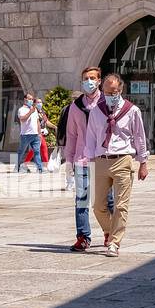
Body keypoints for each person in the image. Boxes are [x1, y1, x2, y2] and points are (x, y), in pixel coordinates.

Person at [87, 74, 149, 257]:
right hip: (101, 159)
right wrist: (90, 161)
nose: (109, 95)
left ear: (120, 90)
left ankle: (114, 243)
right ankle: (110, 230)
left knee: (121, 205)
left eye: (113, 92)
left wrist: (143, 162)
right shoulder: (96, 111)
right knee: (98, 205)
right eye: (106, 92)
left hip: (123, 159)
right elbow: (91, 137)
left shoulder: (132, 110)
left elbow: (139, 136)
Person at [64, 67, 114, 251]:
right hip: (82, 159)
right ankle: (83, 237)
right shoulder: (75, 107)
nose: (89, 81)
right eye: (86, 78)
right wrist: (68, 160)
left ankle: (109, 233)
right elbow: (71, 135)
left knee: (107, 200)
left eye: (92, 78)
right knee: (82, 200)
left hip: (103, 159)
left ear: (99, 80)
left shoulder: (107, 102)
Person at [15, 91, 47, 173]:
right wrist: (30, 112)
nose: (31, 101)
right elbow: (22, 119)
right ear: (25, 100)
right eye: (30, 99)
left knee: (37, 151)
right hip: (25, 135)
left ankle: (40, 168)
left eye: (32, 99)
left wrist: (39, 133)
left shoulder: (34, 110)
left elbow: (37, 122)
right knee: (21, 151)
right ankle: (17, 167)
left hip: (35, 134)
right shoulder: (21, 109)